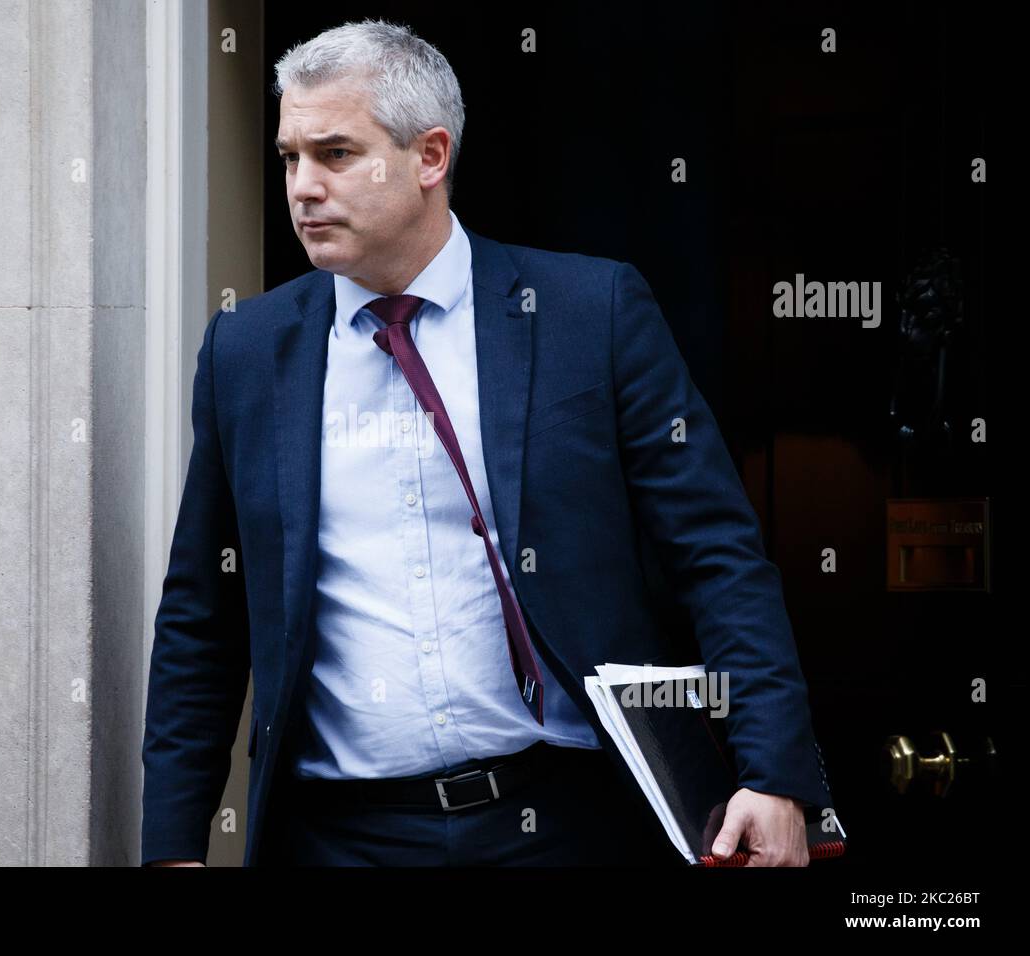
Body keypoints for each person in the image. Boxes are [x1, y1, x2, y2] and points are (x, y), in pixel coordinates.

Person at [141, 18, 830, 867]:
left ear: (430, 157)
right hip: (337, 839)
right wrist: (173, 845)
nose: (303, 187)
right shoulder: (246, 351)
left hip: (569, 822)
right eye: (289, 158)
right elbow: (202, 615)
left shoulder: (589, 313)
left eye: (336, 154)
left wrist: (776, 773)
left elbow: (717, 555)